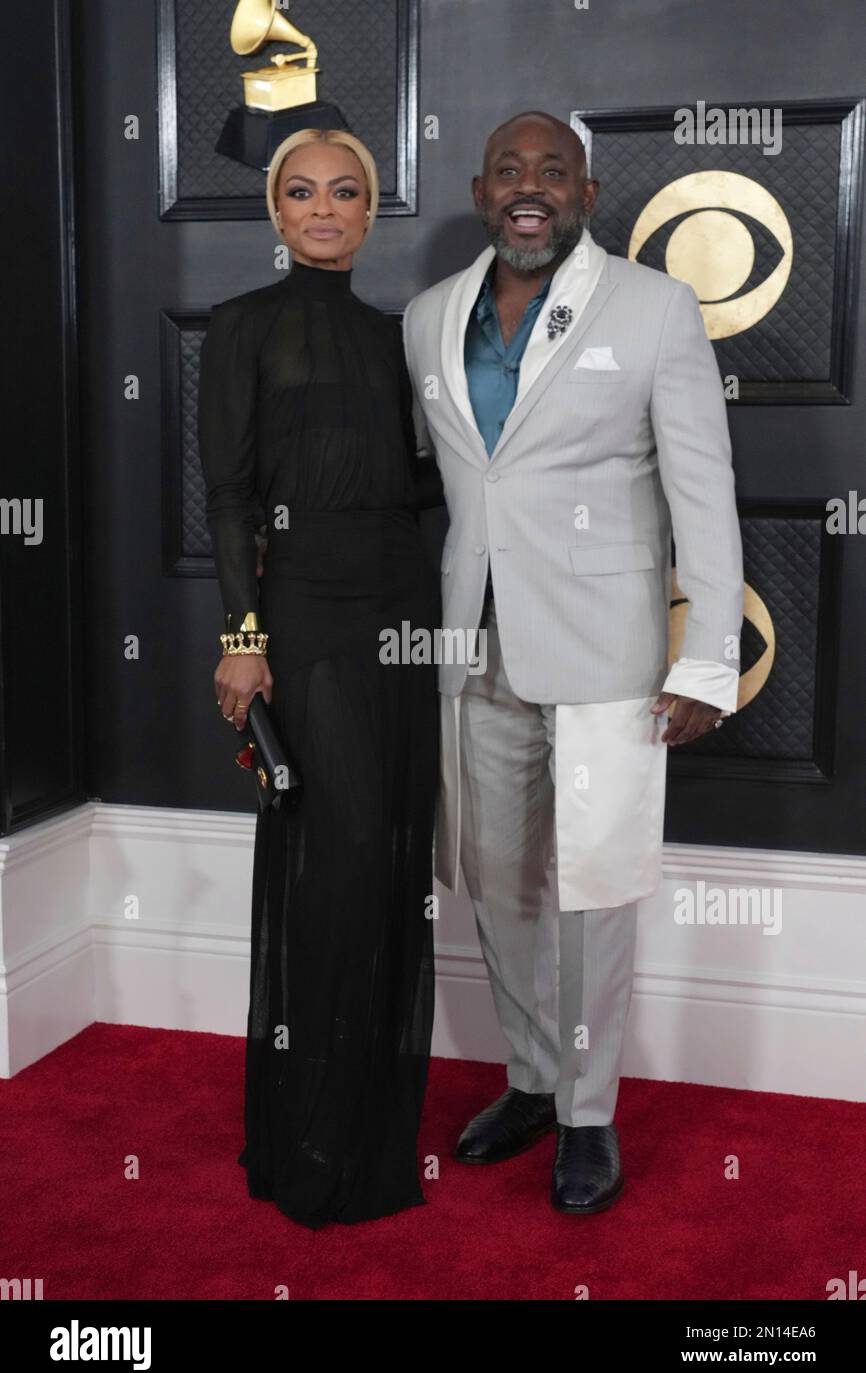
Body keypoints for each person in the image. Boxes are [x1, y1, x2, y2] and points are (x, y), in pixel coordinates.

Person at [401, 110, 744, 1214]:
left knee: (591, 890)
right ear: (477, 187)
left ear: (587, 194)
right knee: (495, 881)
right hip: (474, 647)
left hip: (607, 654)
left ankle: (589, 1115)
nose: (529, 186)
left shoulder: (652, 309)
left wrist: (703, 665)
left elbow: (701, 492)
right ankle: (534, 1080)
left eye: (553, 170)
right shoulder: (424, 319)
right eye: (510, 169)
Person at [197, 128, 444, 1229]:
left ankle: (368, 1123)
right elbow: (229, 498)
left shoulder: (400, 338)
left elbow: (431, 485)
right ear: (275, 211)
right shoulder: (242, 326)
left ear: (370, 206)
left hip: (401, 604)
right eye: (302, 193)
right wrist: (241, 637)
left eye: (347, 192)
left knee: (392, 847)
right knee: (334, 856)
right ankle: (311, 1132)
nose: (325, 209)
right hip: (301, 611)